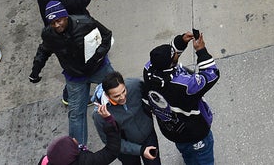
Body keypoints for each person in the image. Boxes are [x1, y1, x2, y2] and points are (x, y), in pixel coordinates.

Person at [30, 0, 116, 147]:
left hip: (99, 69)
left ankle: (126, 127)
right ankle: (78, 152)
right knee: (76, 114)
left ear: (66, 17)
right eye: (52, 23)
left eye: (59, 20)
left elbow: (106, 36)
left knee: (118, 96)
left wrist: (97, 57)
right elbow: (43, 51)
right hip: (75, 77)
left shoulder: (85, 22)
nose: (57, 25)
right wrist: (35, 72)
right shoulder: (48, 34)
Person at [142, 31, 220, 165]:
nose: (177, 55)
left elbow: (165, 57)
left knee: (187, 153)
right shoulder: (184, 86)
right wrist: (201, 50)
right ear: (172, 64)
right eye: (175, 57)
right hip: (195, 135)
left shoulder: (148, 70)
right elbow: (211, 74)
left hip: (173, 131)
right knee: (203, 159)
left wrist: (181, 41)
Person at [92, 72, 160, 165]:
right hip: (126, 152)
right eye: (116, 96)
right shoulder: (99, 115)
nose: (122, 97)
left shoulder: (134, 85)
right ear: (107, 96)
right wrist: (140, 150)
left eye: (123, 91)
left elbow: (152, 97)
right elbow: (111, 143)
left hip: (149, 137)